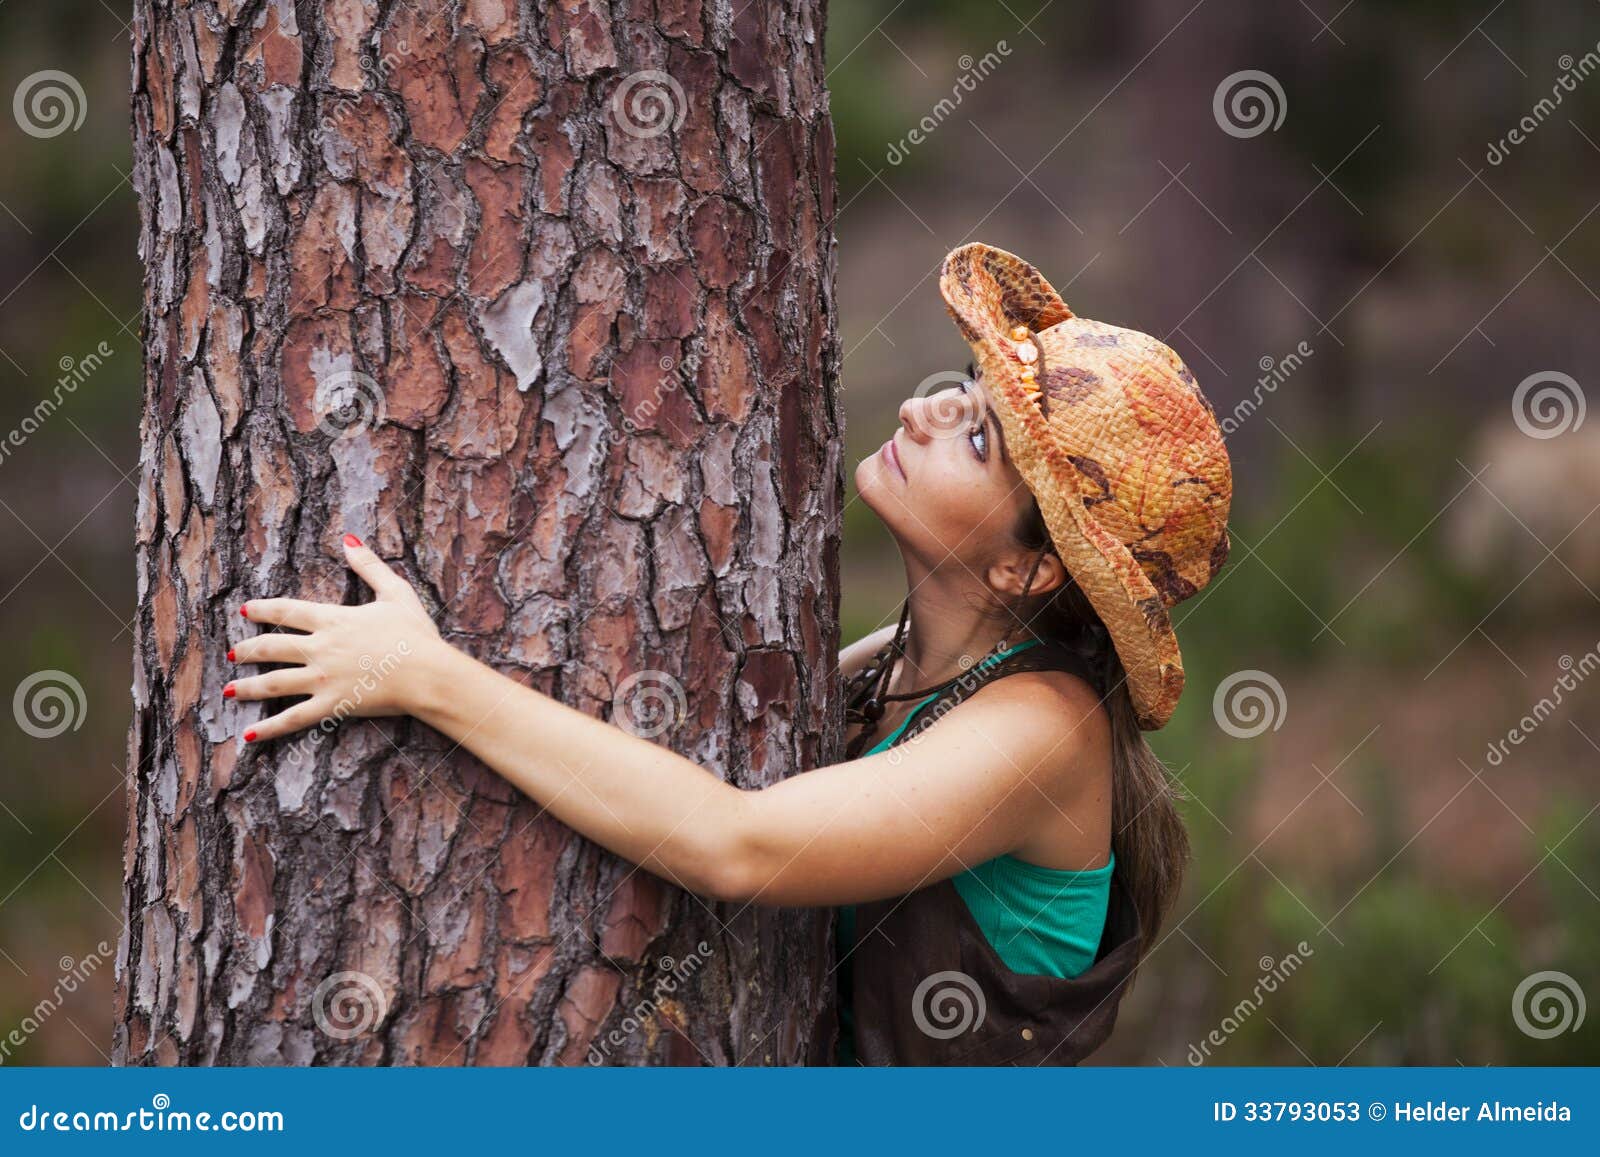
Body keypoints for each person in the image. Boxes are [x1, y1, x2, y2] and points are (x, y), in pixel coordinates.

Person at [223, 242, 1233, 1064]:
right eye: (966, 391)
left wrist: (426, 675)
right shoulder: (907, 662)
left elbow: (736, 846)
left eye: (977, 443)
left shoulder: (1043, 728)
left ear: (1030, 572)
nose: (925, 409)